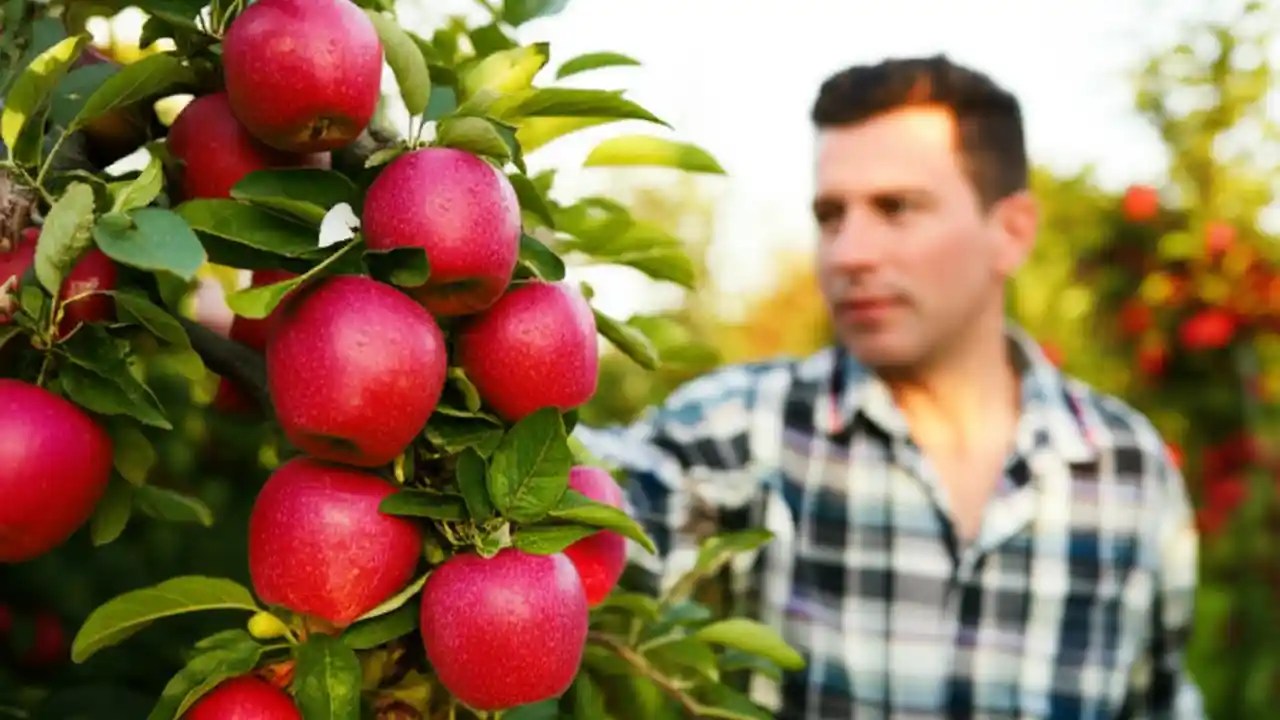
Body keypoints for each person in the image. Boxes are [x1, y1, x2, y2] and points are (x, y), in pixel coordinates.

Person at [574, 55, 1204, 719]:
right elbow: (587, 497)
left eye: (896, 208)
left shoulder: (1127, 469)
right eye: (830, 215)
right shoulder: (749, 428)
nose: (848, 253)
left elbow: (1158, 701)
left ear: (1011, 233)